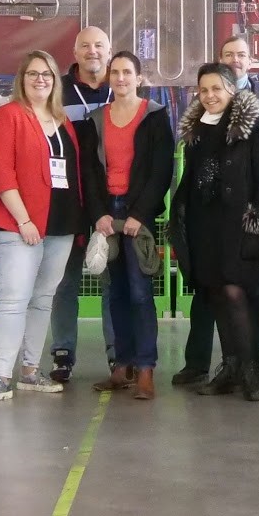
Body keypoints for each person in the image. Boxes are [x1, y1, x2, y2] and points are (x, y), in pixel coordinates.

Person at [0, 51, 86, 403]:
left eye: (47, 74)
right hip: (17, 223)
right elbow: (1, 172)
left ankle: (29, 371)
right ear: (21, 79)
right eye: (33, 74)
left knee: (42, 300)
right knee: (12, 300)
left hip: (60, 223)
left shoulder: (62, 120)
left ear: (55, 81)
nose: (41, 79)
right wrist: (23, 219)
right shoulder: (8, 116)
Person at [167, 63, 259, 401]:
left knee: (234, 291)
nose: (211, 96)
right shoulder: (198, 129)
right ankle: (230, 368)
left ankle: (252, 371)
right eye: (204, 90)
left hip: (236, 225)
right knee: (214, 292)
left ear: (232, 89)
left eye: (217, 88)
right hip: (204, 224)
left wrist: (256, 220)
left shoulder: (250, 125)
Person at [80, 51, 175, 398]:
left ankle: (146, 368)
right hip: (107, 214)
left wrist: (141, 215)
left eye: (127, 72)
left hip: (137, 215)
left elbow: (161, 171)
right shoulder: (94, 120)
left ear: (139, 77)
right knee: (114, 292)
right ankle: (122, 366)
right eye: (115, 72)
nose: (120, 78)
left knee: (139, 292)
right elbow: (89, 173)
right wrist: (98, 215)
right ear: (108, 77)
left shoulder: (154, 116)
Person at [47, 26, 115, 386]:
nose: (93, 52)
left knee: (111, 280)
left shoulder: (120, 85)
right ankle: (62, 353)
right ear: (74, 51)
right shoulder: (57, 90)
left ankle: (117, 355)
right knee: (63, 281)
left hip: (110, 201)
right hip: (68, 201)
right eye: (85, 46)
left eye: (99, 46)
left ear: (109, 51)